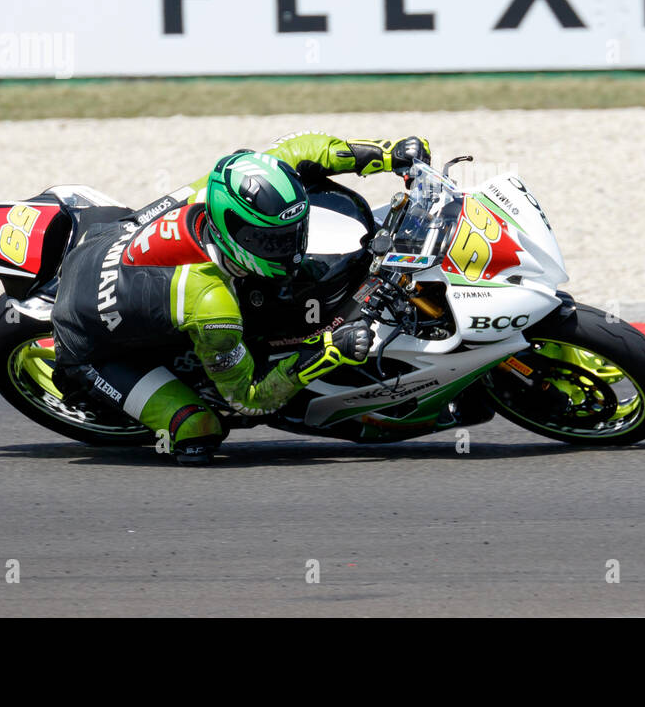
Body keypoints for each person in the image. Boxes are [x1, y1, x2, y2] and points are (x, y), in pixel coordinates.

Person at [49, 133, 430, 464]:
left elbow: (302, 148)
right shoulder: (211, 303)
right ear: (235, 234)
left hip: (109, 239)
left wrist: (385, 152)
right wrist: (329, 350)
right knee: (201, 429)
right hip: (89, 341)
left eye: (292, 233)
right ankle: (165, 412)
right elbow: (250, 398)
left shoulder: (229, 183)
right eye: (272, 241)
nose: (291, 249)